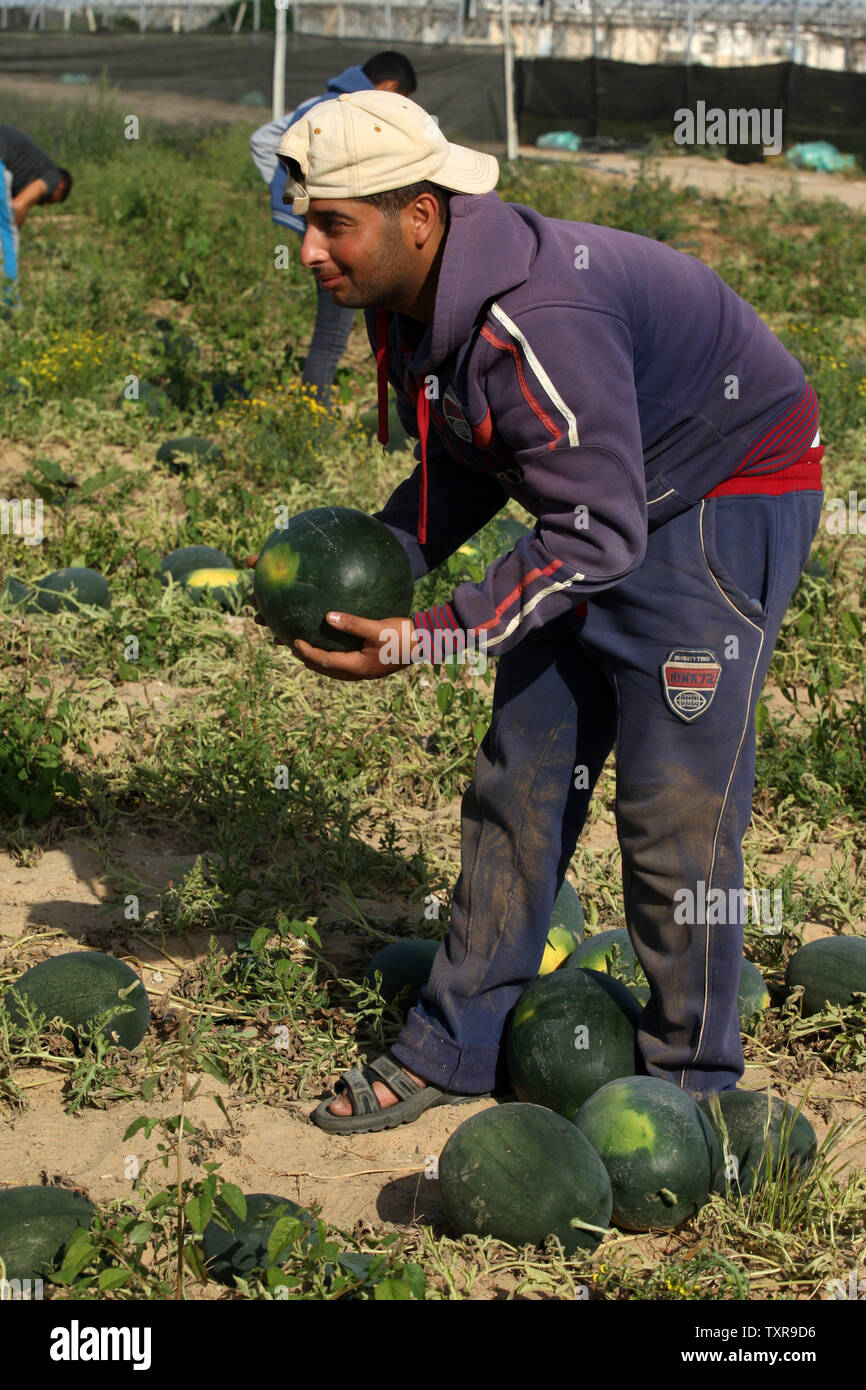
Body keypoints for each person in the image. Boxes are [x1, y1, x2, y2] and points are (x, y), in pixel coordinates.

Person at [262, 91, 823, 1133]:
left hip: (718, 493)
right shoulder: (418, 302)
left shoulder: (537, 319)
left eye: (332, 222)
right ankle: (455, 1042)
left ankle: (688, 1089)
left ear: (417, 214)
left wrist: (427, 636)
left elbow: (595, 534)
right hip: (600, 499)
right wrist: (391, 554)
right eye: (306, 221)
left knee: (672, 808)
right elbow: (481, 453)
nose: (308, 250)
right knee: (520, 767)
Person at [249, 51, 417, 408]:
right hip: (343, 234)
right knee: (334, 329)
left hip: (329, 227)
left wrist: (289, 199)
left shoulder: (320, 105)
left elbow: (265, 140)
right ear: (389, 87)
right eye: (400, 100)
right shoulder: (353, 115)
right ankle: (315, 415)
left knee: (369, 318)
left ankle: (361, 403)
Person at [0, 125, 72, 304]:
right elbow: (18, 205)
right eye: (51, 201)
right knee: (7, 239)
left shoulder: (28, 167)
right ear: (60, 189)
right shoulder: (53, 177)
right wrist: (13, 230)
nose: (44, 205)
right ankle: (9, 307)